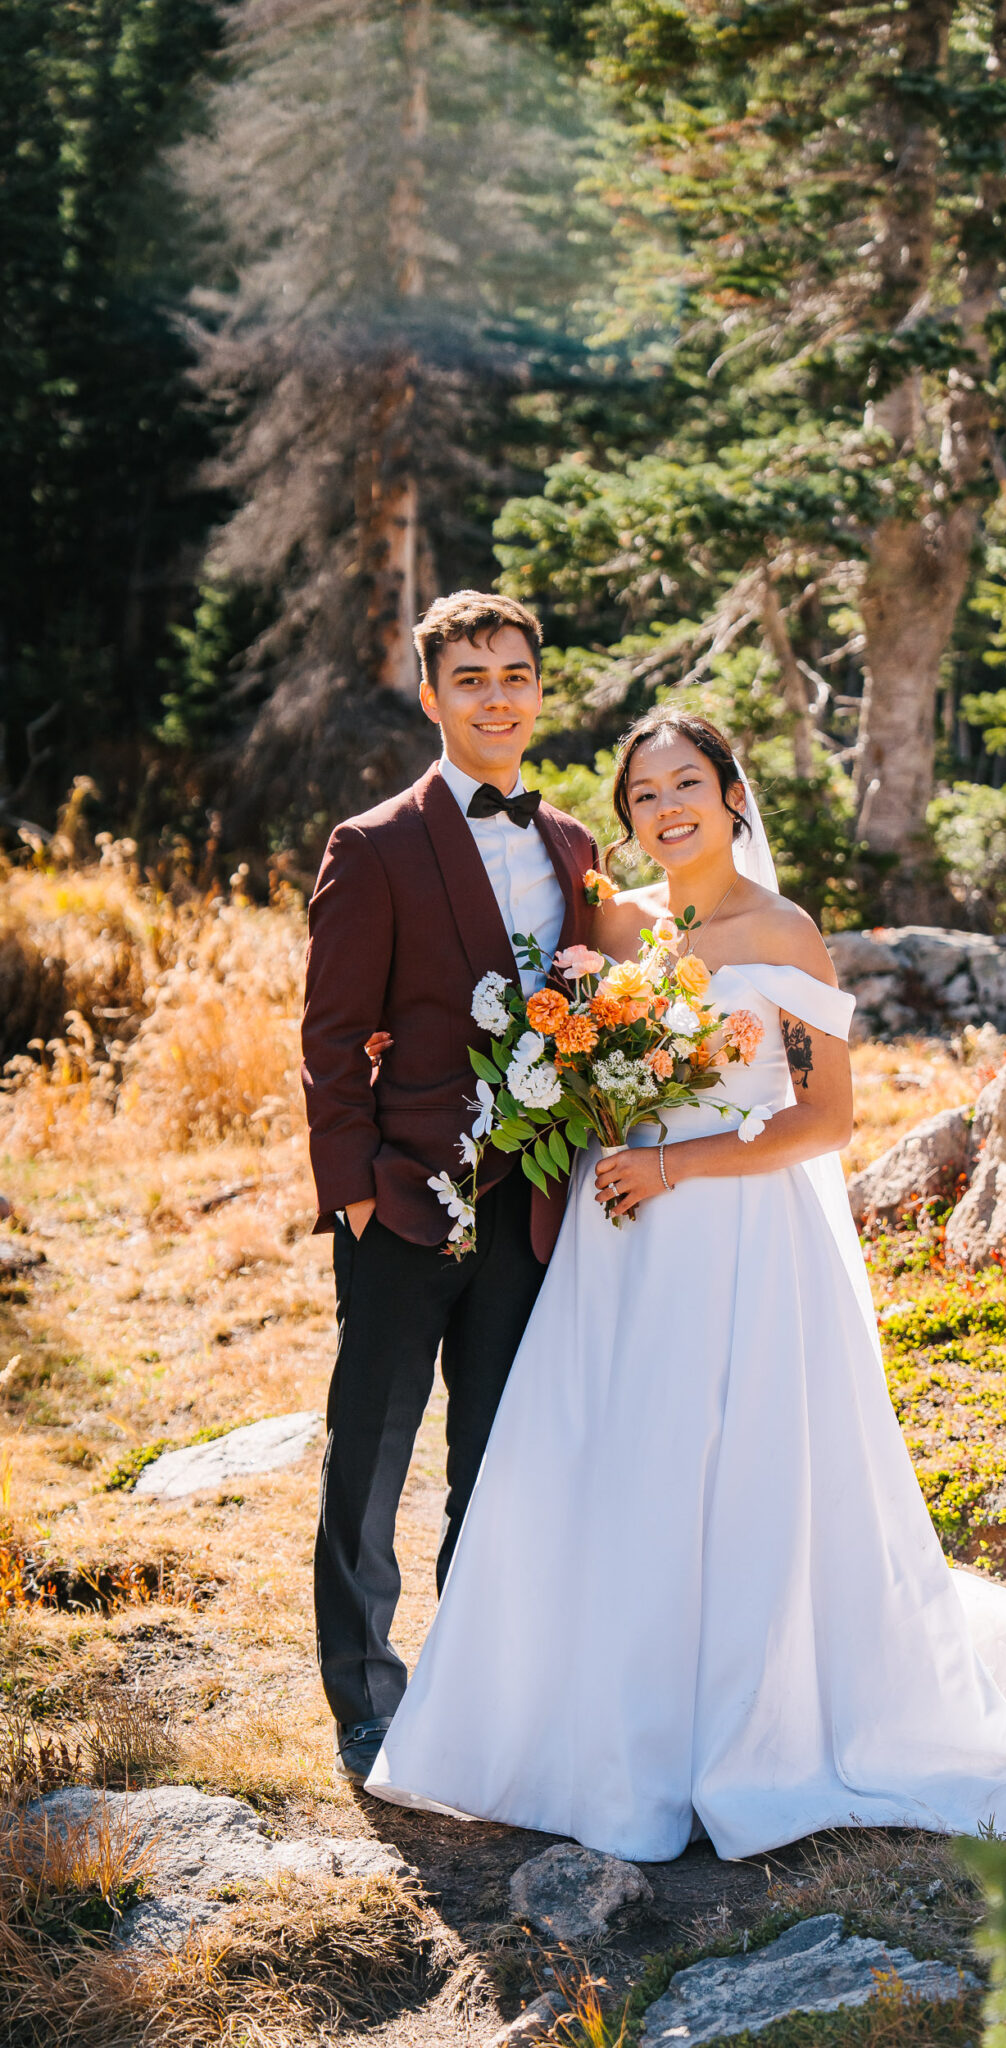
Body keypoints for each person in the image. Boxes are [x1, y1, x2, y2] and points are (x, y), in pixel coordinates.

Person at [365, 710, 1006, 1859]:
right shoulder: (614, 921)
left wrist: (674, 1159)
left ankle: (747, 1727)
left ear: (733, 795)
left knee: (737, 1463)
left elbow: (825, 1116)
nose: (664, 805)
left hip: (734, 1226)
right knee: (612, 1455)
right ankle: (595, 1732)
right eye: (643, 791)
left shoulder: (784, 931)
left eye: (686, 781)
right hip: (620, 1234)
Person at [301, 590, 597, 1786]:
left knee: (497, 1453)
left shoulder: (574, 846)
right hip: (403, 1200)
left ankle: (476, 1683)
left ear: (538, 688)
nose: (495, 694)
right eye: (468, 676)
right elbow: (329, 1037)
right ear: (431, 696)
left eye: (514, 672)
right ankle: (365, 1694)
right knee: (367, 1453)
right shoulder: (371, 845)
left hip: (530, 1208)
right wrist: (357, 1191)